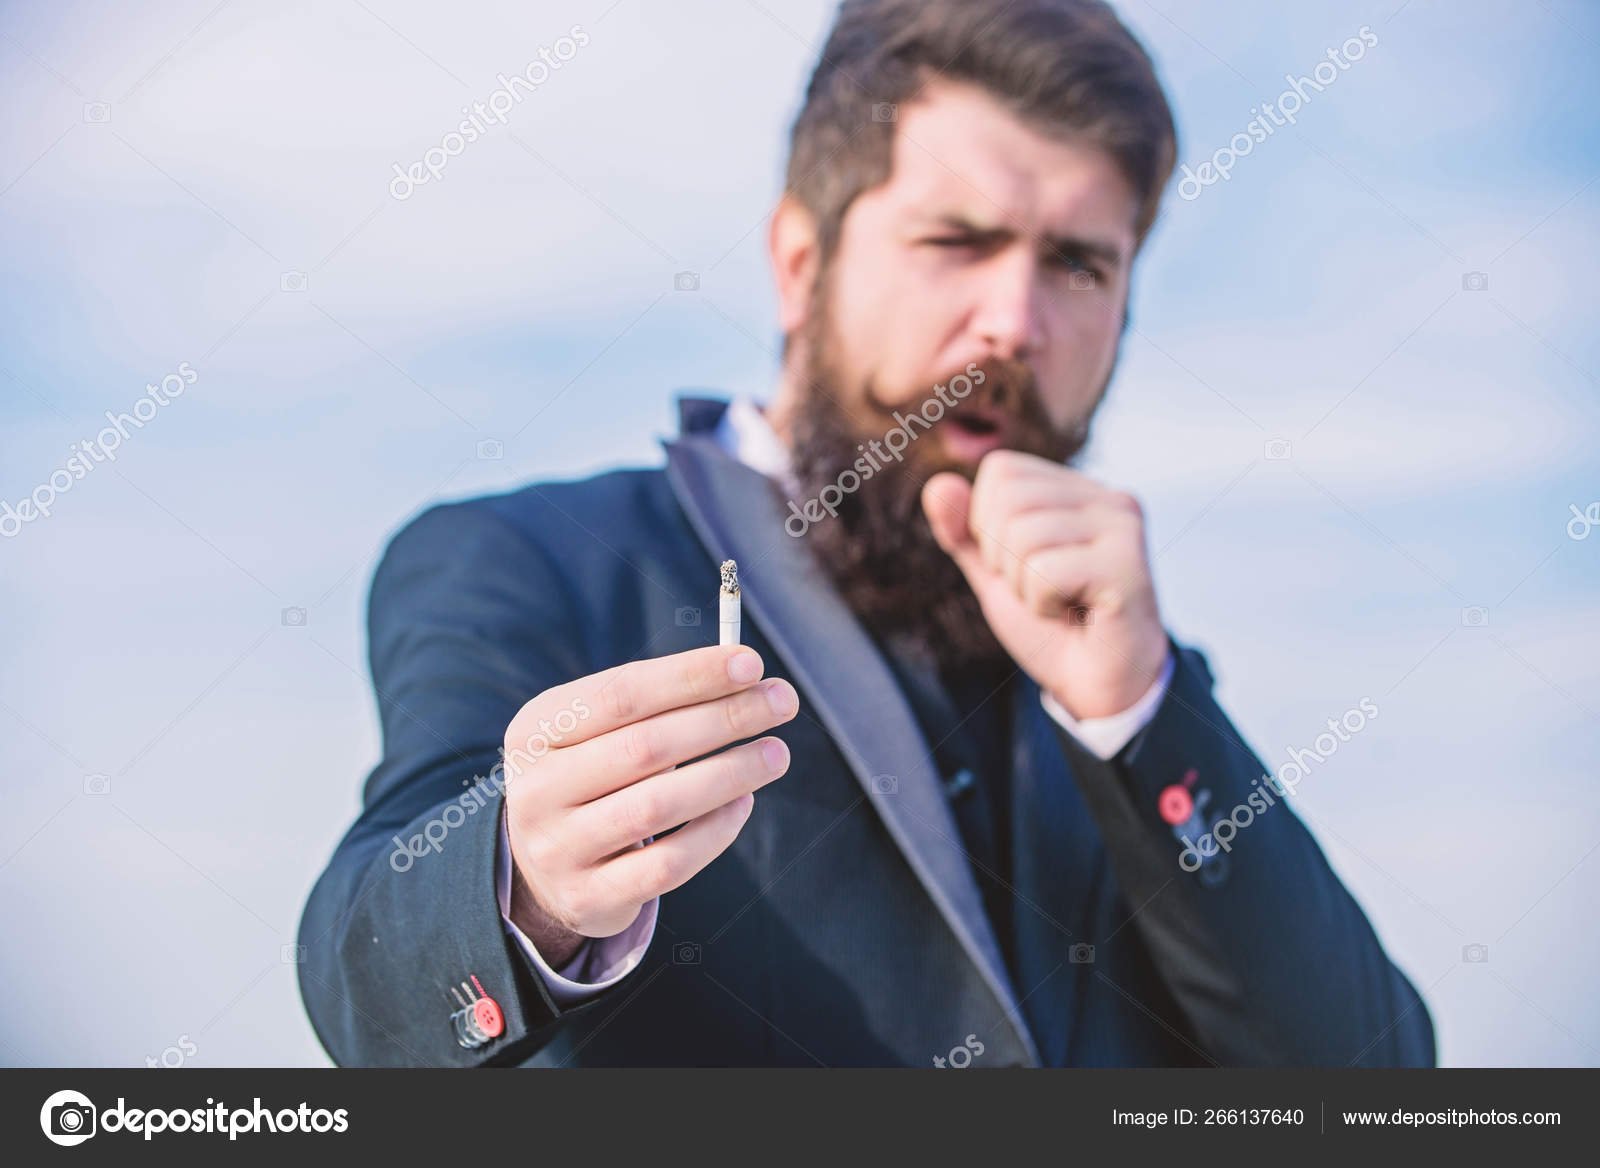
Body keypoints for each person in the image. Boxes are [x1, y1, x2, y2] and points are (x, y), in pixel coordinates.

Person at [298, 0, 1434, 1067]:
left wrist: (1138, 711)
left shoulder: (1126, 678)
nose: (1016, 322)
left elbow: (1379, 1074)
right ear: (801, 265)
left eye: (1079, 263)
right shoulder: (533, 561)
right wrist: (524, 882)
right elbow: (368, 981)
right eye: (957, 241)